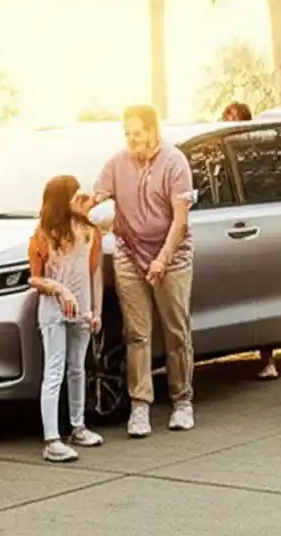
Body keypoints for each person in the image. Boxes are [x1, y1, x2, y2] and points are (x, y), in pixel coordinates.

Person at [92, 104, 196, 438]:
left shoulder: (175, 162)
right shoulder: (116, 163)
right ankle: (140, 407)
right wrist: (82, 203)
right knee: (136, 333)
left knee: (176, 331)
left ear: (153, 130)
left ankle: (182, 402)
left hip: (172, 256)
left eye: (137, 132)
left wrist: (163, 259)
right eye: (127, 133)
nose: (132, 139)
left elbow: (180, 220)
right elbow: (97, 198)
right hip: (129, 255)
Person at [27, 174, 105, 462]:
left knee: (78, 368)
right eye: (74, 196)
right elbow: (34, 279)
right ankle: (51, 439)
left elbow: (94, 271)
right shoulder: (42, 235)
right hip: (53, 310)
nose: (79, 200)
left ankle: (78, 426)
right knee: (55, 370)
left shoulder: (90, 232)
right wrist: (58, 289)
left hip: (82, 308)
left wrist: (96, 310)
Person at [218, 101, 281, 381]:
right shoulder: (222, 156)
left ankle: (269, 358)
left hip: (257, 231)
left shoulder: (256, 155)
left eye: (234, 120)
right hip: (234, 235)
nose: (229, 124)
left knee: (262, 291)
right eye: (226, 119)